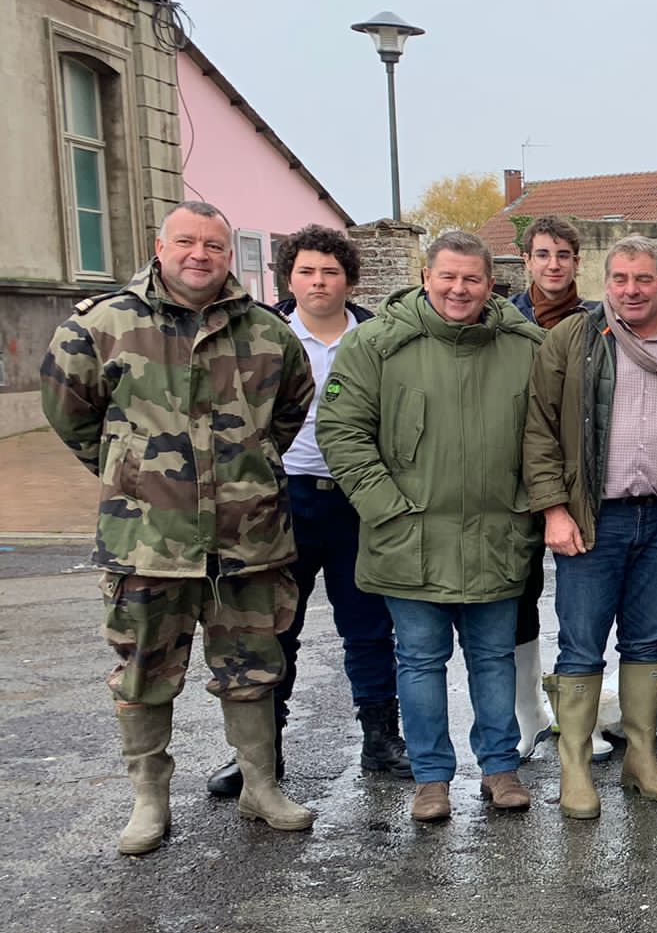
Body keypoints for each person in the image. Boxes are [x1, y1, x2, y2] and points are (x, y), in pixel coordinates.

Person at [41, 201, 316, 854]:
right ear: (159, 247)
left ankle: (260, 785)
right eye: (186, 242)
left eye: (214, 245)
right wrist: (125, 469)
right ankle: (149, 800)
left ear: (229, 256)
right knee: (143, 672)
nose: (200, 255)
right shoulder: (103, 325)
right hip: (146, 544)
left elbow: (291, 410)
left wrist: (242, 471)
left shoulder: (267, 333)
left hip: (247, 542)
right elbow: (67, 406)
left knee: (253, 668)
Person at [319, 229, 545, 823]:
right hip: (408, 535)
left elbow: (551, 435)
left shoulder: (527, 346)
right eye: (447, 276)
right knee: (418, 662)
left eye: (472, 278)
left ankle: (500, 768)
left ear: (491, 284)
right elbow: (341, 431)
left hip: (498, 533)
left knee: (494, 658)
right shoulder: (374, 344)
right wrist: (385, 506)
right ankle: (431, 779)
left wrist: (528, 502)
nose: (459, 289)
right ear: (425, 278)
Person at [523, 235, 657, 821]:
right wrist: (553, 510)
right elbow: (539, 428)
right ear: (605, 282)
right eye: (620, 279)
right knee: (581, 642)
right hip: (594, 517)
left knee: (648, 640)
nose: (631, 290)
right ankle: (576, 767)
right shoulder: (575, 338)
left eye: (643, 279)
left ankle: (641, 755)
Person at [203, 225, 409, 798]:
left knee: (369, 626)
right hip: (280, 498)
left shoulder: (378, 334)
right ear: (288, 277)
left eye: (331, 272)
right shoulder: (261, 334)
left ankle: (381, 740)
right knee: (276, 628)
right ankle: (262, 753)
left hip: (357, 497)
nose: (319, 283)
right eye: (307, 272)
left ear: (349, 279)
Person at [508, 216, 596, 760]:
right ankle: (527, 716)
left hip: (582, 482)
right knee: (518, 599)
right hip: (514, 477)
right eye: (542, 255)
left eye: (563, 254)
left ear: (577, 261)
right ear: (526, 261)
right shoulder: (504, 321)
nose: (553, 264)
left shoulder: (598, 322)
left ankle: (576, 720)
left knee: (582, 604)